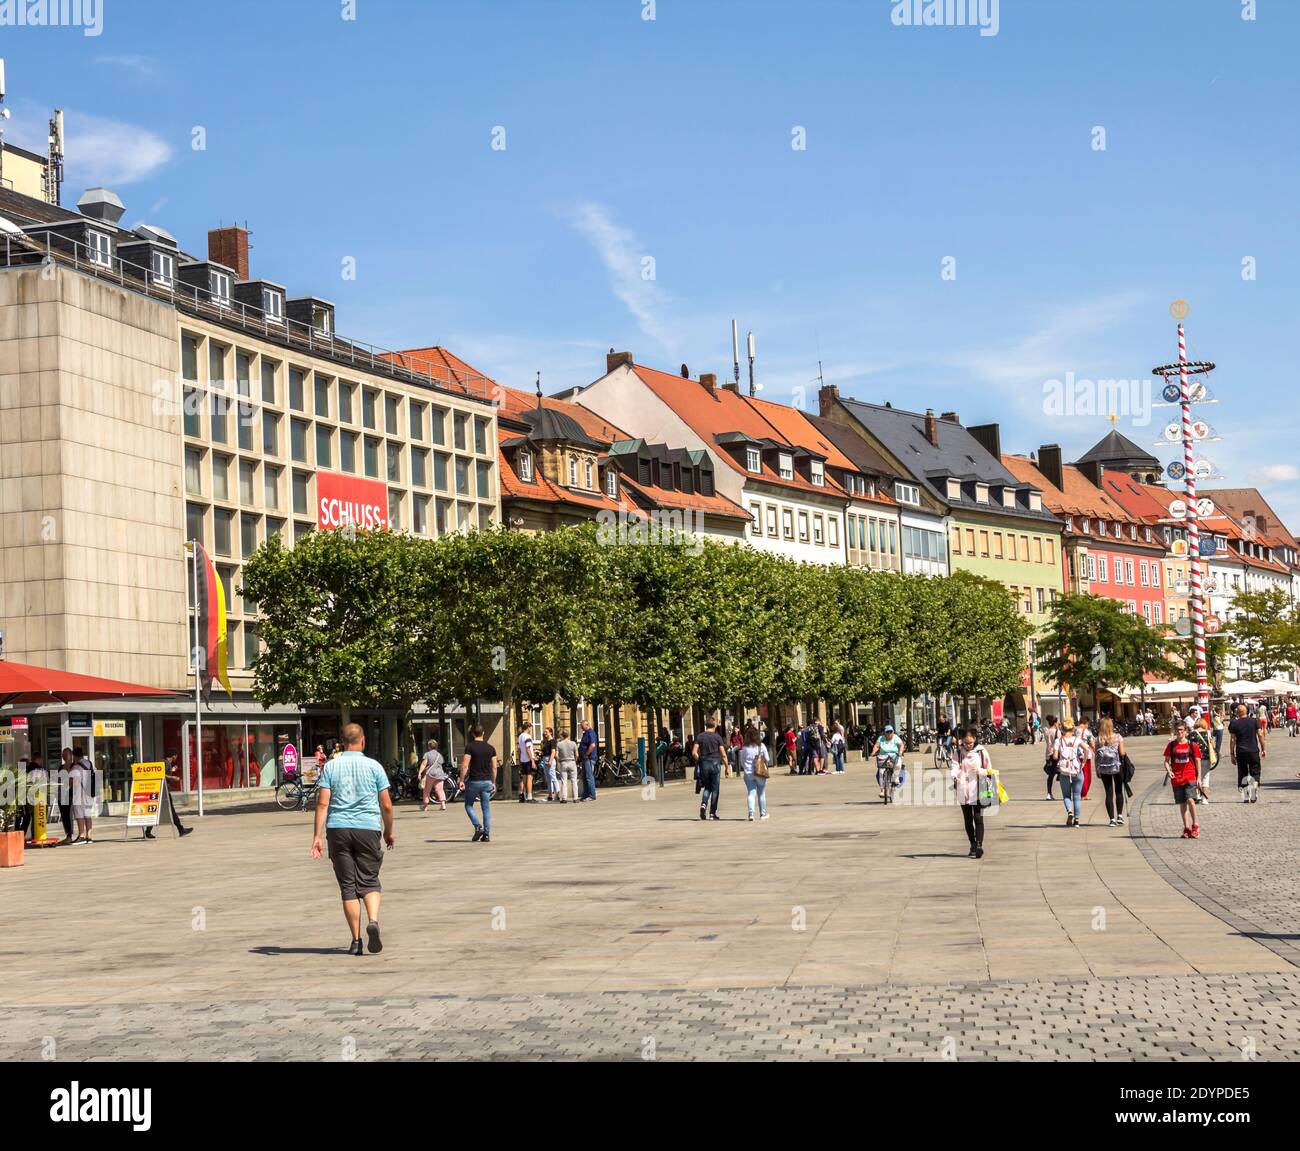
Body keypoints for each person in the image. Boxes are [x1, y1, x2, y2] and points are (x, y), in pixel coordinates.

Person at [310, 722, 395, 956]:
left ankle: (356, 941)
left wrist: (317, 836)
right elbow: (386, 805)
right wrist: (388, 831)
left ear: (342, 742)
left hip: (337, 829)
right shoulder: (374, 766)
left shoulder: (330, 767)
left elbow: (322, 803)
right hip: (367, 828)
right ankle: (374, 921)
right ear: (363, 740)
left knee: (348, 886)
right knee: (369, 880)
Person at [950, 727, 992, 859]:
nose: (968, 745)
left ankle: (979, 845)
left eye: (970, 742)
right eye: (966, 743)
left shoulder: (981, 751)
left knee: (978, 817)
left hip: (979, 788)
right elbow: (954, 767)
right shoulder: (958, 752)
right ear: (962, 740)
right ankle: (972, 844)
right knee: (968, 819)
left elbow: (989, 769)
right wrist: (955, 775)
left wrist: (981, 771)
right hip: (963, 789)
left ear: (974, 739)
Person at [1164, 718, 1202, 839]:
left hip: (1190, 776)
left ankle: (1195, 826)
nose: (1179, 732)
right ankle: (1186, 827)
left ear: (1185, 731)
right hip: (1177, 778)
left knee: (1191, 800)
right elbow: (1166, 761)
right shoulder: (1171, 745)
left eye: (1181, 730)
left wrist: (1199, 777)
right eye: (1177, 730)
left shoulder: (1192, 745)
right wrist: (1169, 771)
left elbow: (1198, 761)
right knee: (1182, 803)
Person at [459, 724, 498, 841]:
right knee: (486, 808)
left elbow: (465, 765)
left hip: (474, 781)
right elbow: (494, 767)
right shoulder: (491, 748)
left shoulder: (470, 747)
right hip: (487, 782)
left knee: (468, 805)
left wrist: (461, 780)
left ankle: (477, 826)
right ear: (483, 733)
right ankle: (486, 834)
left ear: (472, 734)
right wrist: (494, 782)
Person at [145, 750, 193, 838]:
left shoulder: (165, 763)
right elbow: (161, 774)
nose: (177, 757)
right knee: (171, 810)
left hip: (161, 790)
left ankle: (148, 831)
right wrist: (172, 777)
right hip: (163, 791)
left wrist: (172, 770)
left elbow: (163, 772)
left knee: (157, 811)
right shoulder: (165, 763)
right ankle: (181, 830)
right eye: (176, 755)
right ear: (173, 756)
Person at [1228, 702, 1264, 804]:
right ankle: (1254, 790)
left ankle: (1246, 796)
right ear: (1247, 711)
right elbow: (1260, 735)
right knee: (1255, 773)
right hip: (1253, 750)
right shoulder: (1254, 721)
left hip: (1241, 751)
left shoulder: (1234, 723)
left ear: (1237, 713)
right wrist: (1263, 748)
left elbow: (1232, 740)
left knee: (1243, 773)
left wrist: (1232, 754)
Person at [1094, 718, 1126, 827]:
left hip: (1103, 768)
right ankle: (1120, 816)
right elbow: (1122, 753)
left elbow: (1096, 756)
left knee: (1108, 793)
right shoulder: (1118, 737)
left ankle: (1112, 819)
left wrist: (1096, 769)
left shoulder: (1098, 739)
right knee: (1118, 791)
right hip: (1117, 767)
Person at [693, 715, 726, 821]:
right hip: (715, 763)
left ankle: (703, 804)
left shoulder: (700, 736)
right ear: (714, 725)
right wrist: (726, 766)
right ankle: (712, 813)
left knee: (707, 787)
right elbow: (723, 754)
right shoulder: (717, 737)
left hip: (704, 763)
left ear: (706, 725)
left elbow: (694, 752)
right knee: (715, 788)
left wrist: (700, 759)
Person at [1056, 718, 1086, 827]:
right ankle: (1077, 821)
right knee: (1077, 796)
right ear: (1072, 729)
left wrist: (1060, 755)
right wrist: (1084, 762)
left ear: (1062, 729)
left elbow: (1055, 756)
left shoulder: (1058, 741)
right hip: (1077, 770)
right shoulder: (1077, 740)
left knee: (1066, 796)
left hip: (1064, 771)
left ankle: (1070, 811)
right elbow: (1086, 749)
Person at [738, 725, 770, 821]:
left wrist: (746, 767)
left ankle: (751, 813)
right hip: (760, 773)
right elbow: (767, 759)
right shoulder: (761, 746)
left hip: (748, 773)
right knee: (761, 793)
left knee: (751, 793)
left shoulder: (744, 748)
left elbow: (742, 761)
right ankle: (762, 814)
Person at [67, 750, 96, 845]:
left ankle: (81, 836)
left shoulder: (76, 767)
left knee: (79, 815)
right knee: (87, 814)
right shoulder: (89, 763)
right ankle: (89, 836)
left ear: (75, 756)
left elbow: (71, 783)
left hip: (79, 793)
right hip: (89, 792)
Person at [869, 724, 903, 799]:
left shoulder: (896, 738)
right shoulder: (881, 738)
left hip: (894, 756)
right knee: (881, 772)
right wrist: (873, 752)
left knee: (898, 764)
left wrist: (900, 752)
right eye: (887, 732)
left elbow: (901, 745)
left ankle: (895, 778)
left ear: (893, 732)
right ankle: (882, 790)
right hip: (883, 757)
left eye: (891, 731)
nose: (889, 733)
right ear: (884, 732)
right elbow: (877, 746)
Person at [418, 739, 448, 812]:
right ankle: (443, 804)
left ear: (429, 747)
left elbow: (424, 764)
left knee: (427, 790)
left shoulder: (427, 754)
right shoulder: (440, 755)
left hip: (430, 774)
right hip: (440, 774)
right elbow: (441, 763)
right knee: (440, 789)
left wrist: (420, 772)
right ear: (436, 747)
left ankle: (425, 806)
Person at [56, 747, 76, 842]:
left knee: (68, 814)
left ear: (71, 755)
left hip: (70, 793)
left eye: (66, 754)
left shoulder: (73, 766)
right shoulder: (60, 767)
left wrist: (68, 762)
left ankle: (70, 835)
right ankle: (68, 834)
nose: (63, 756)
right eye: (63, 754)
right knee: (64, 815)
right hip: (61, 794)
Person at [555, 729, 580, 803]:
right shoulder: (573, 743)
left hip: (563, 762)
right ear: (568, 735)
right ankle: (575, 798)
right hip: (572, 762)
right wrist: (575, 760)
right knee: (574, 781)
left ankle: (564, 798)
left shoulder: (559, 744)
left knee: (564, 781)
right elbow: (577, 755)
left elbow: (556, 755)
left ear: (562, 736)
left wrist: (559, 760)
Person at [578, 719, 598, 802]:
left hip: (589, 758)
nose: (582, 728)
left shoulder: (590, 733)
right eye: (581, 727)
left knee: (589, 777)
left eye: (583, 727)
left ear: (587, 725)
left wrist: (586, 754)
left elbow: (592, 745)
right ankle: (585, 795)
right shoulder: (586, 733)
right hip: (585, 759)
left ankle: (592, 795)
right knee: (585, 777)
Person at [517, 725, 536, 804]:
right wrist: (532, 760)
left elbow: (519, 749)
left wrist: (520, 758)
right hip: (528, 760)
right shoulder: (527, 736)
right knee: (530, 777)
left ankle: (522, 795)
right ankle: (529, 796)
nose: (531, 729)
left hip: (523, 759)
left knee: (523, 778)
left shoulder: (520, 736)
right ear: (528, 727)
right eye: (531, 727)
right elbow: (528, 749)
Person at [1077, 716, 1095, 800]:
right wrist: (1096, 753)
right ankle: (1084, 794)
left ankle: (1079, 793)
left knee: (1079, 774)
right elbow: (1092, 744)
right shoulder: (1087, 732)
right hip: (1085, 755)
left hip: (1076, 755)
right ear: (1086, 723)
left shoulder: (1074, 730)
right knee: (1087, 775)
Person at [538, 727, 559, 799]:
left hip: (550, 759)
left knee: (553, 777)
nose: (544, 733)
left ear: (551, 733)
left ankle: (558, 794)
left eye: (546, 732)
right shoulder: (544, 741)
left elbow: (553, 752)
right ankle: (550, 794)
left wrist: (550, 761)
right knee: (548, 778)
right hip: (544, 758)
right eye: (544, 732)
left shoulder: (552, 741)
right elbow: (543, 750)